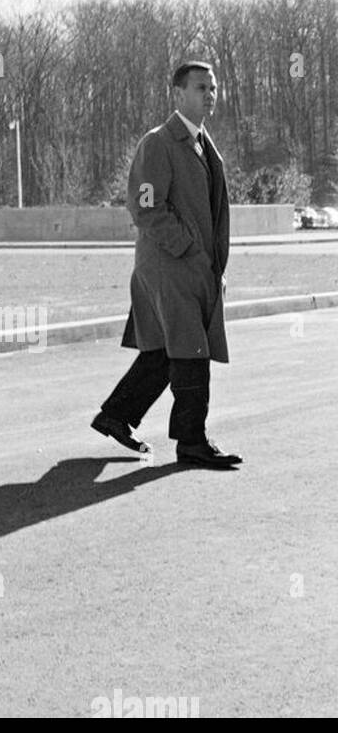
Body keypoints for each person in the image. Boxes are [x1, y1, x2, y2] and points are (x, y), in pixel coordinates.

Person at [92, 61, 240, 468]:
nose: (209, 94)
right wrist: (189, 249)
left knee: (163, 352)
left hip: (194, 269)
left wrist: (210, 266)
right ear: (178, 95)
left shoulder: (204, 145)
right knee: (192, 351)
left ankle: (116, 415)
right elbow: (144, 207)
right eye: (199, 88)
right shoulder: (158, 142)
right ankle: (192, 442)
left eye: (213, 88)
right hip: (169, 267)